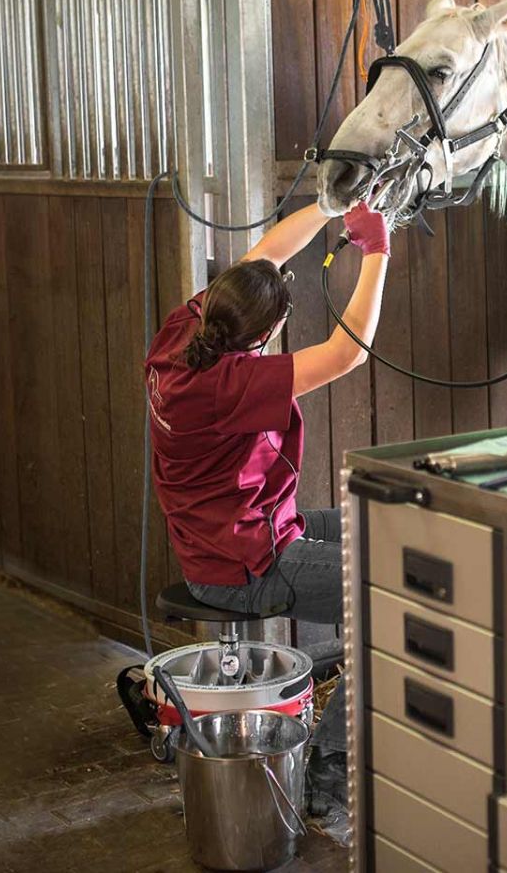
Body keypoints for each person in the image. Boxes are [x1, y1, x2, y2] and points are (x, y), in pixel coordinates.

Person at [144, 201, 390, 822]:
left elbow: (262, 257)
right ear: (265, 336)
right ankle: (328, 770)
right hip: (242, 563)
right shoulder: (227, 384)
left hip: (242, 529)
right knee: (387, 600)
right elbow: (345, 355)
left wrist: (330, 204)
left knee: (376, 519)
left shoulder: (185, 332)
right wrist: (378, 253)